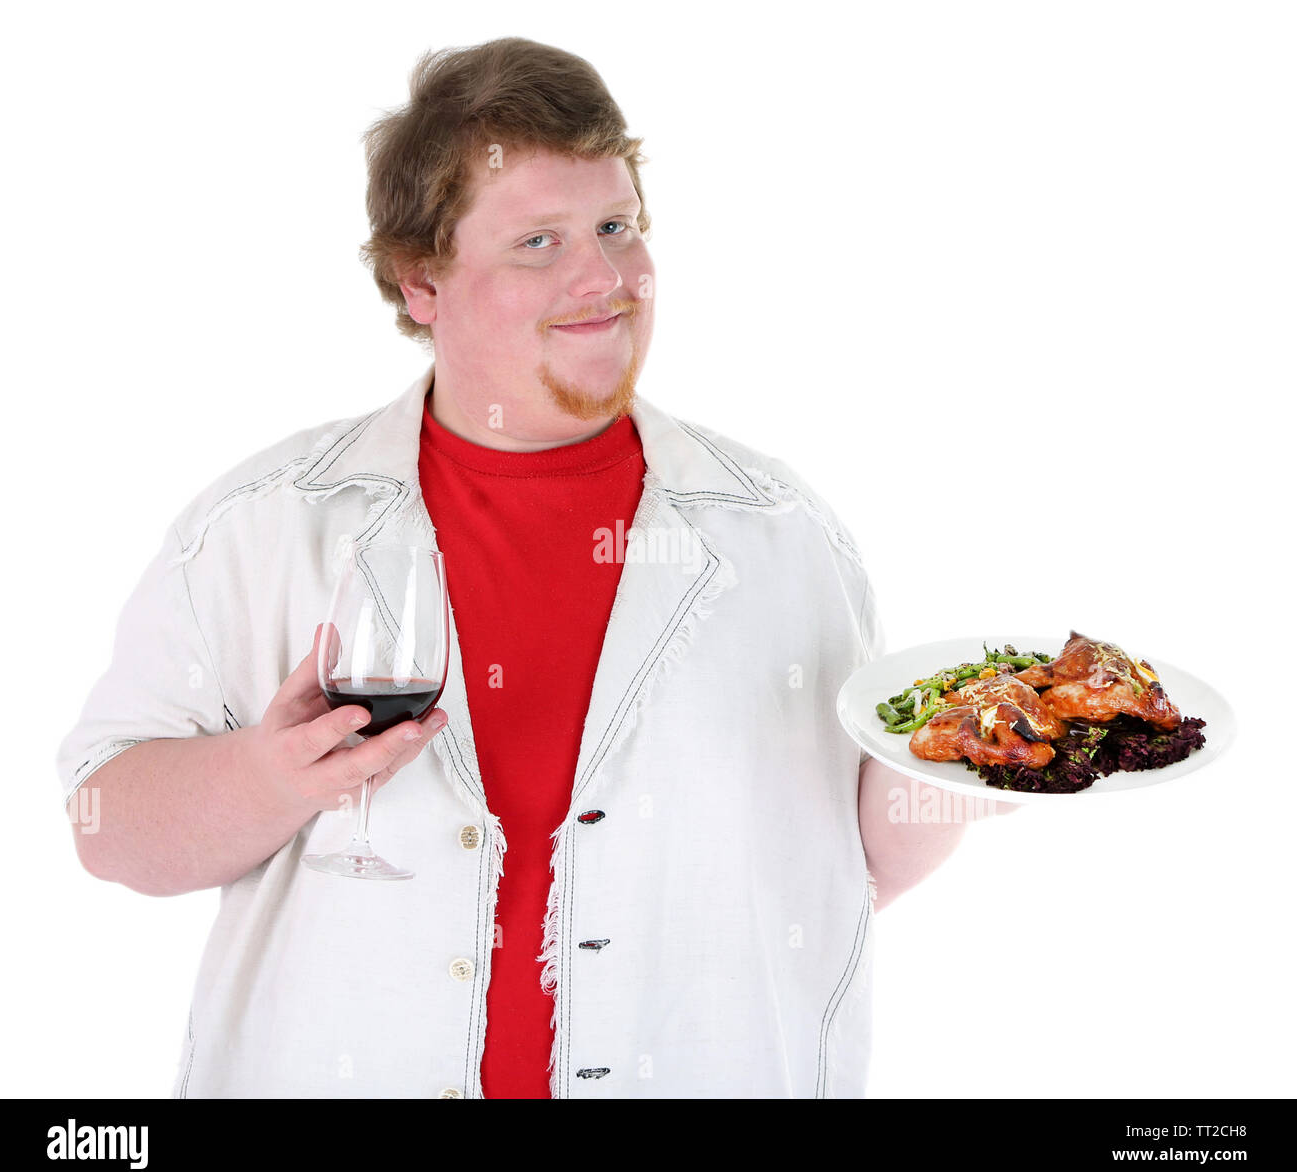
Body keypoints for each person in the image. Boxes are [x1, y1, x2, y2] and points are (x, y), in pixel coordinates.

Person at [57, 37, 982, 1099]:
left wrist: (962, 766)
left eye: (616, 226)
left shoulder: (783, 534)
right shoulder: (264, 527)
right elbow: (107, 830)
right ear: (421, 285)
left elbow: (850, 869)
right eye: (537, 241)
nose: (603, 278)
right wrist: (266, 777)